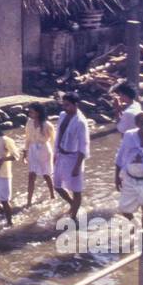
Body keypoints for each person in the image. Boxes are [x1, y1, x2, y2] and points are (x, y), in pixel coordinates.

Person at [53, 93, 90, 223]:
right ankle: (72, 204)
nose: (65, 107)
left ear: (75, 105)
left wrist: (77, 166)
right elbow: (58, 136)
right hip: (61, 154)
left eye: (67, 105)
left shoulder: (80, 122)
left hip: (74, 158)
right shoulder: (62, 116)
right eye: (63, 105)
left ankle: (73, 216)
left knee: (76, 189)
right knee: (57, 186)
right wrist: (55, 154)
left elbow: (83, 146)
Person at [23, 102, 54, 205]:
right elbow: (27, 138)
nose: (29, 113)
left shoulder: (47, 125)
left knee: (46, 175)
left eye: (32, 112)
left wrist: (55, 155)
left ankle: (52, 194)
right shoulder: (29, 123)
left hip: (44, 150)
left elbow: (54, 140)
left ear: (38, 113)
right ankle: (29, 201)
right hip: (32, 150)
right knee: (31, 176)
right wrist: (25, 152)